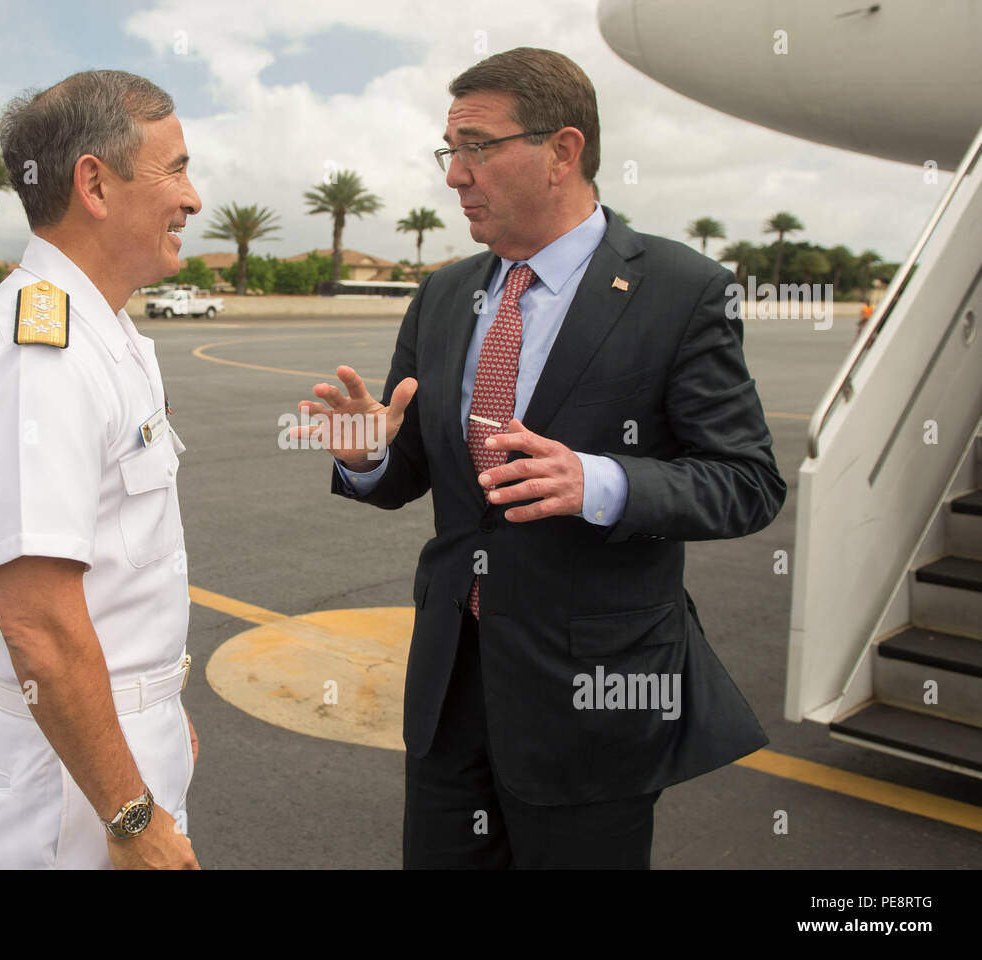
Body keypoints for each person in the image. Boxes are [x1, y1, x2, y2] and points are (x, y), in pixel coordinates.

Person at [295, 47, 786, 869]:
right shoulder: (445, 295)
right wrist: (367, 456)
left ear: (563, 151)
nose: (455, 175)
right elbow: (408, 466)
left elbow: (748, 482)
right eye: (449, 150)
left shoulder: (682, 288)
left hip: (593, 700)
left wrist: (599, 480)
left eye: (477, 147)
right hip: (452, 689)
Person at [0, 69, 202, 870]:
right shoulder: (39, 357)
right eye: (176, 168)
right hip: (76, 792)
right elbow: (40, 629)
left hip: (110, 744)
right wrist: (129, 814)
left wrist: (155, 706)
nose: (193, 198)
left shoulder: (96, 331)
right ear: (94, 182)